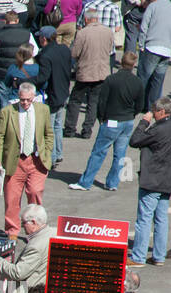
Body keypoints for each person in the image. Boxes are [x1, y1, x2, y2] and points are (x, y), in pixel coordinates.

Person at [70, 51, 143, 193]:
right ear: (134, 65)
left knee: (99, 152)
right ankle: (112, 183)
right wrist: (132, 114)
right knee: (120, 154)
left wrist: (101, 117)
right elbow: (140, 105)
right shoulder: (138, 82)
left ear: (121, 62)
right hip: (127, 121)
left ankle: (86, 182)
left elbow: (102, 101)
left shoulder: (111, 79)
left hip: (112, 121)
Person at [0, 83, 52, 236]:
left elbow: (48, 134)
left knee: (35, 192)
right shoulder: (7, 112)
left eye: (28, 100)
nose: (25, 103)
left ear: (34, 98)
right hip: (15, 162)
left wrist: (47, 152)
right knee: (12, 199)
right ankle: (12, 232)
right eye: (22, 100)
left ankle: (35, 229)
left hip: (36, 161)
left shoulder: (43, 110)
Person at [127, 98, 171, 267]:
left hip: (153, 180)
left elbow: (135, 140)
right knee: (161, 219)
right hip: (168, 180)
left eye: (154, 111)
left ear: (162, 112)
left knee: (144, 219)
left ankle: (139, 257)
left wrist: (143, 122)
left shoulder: (159, 129)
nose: (152, 114)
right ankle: (159, 256)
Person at [66, 9, 116, 139]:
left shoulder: (82, 33)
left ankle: (70, 128)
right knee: (93, 102)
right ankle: (87, 130)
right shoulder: (108, 32)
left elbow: (75, 53)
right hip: (102, 72)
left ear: (87, 19)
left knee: (75, 100)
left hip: (85, 72)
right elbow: (110, 49)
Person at [34, 26, 74, 166]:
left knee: (48, 128)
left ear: (43, 39)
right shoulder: (64, 49)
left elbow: (42, 78)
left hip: (52, 95)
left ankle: (50, 159)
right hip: (64, 92)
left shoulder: (45, 55)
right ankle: (58, 153)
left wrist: (26, 81)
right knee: (57, 125)